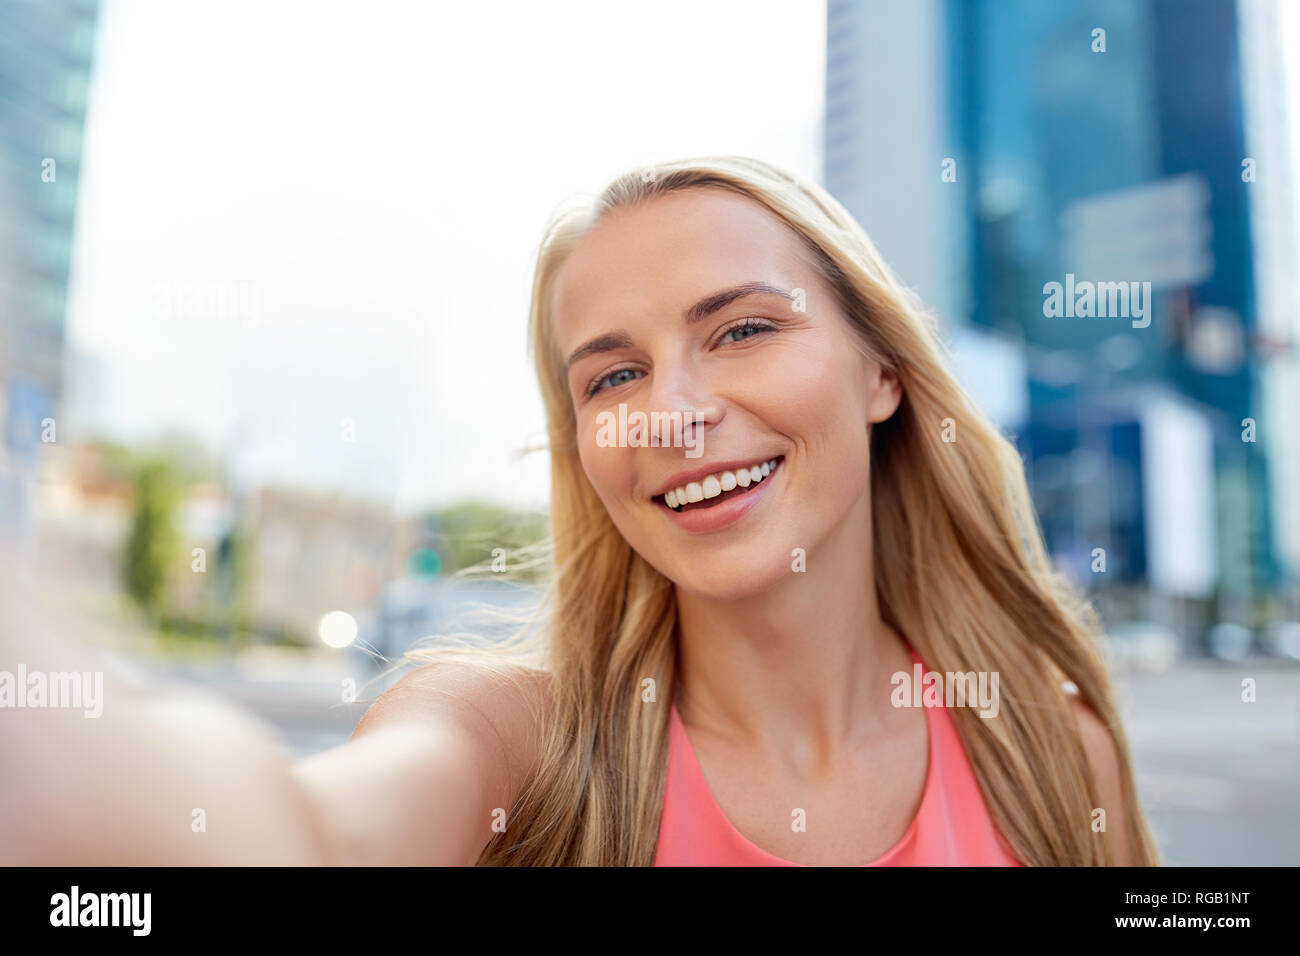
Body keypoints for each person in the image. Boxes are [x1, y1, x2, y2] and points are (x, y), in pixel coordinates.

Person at [0, 156, 1158, 866]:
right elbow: (311, 840)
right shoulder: (514, 742)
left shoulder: (1052, 753)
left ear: (880, 372)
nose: (675, 412)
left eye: (743, 328)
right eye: (611, 375)